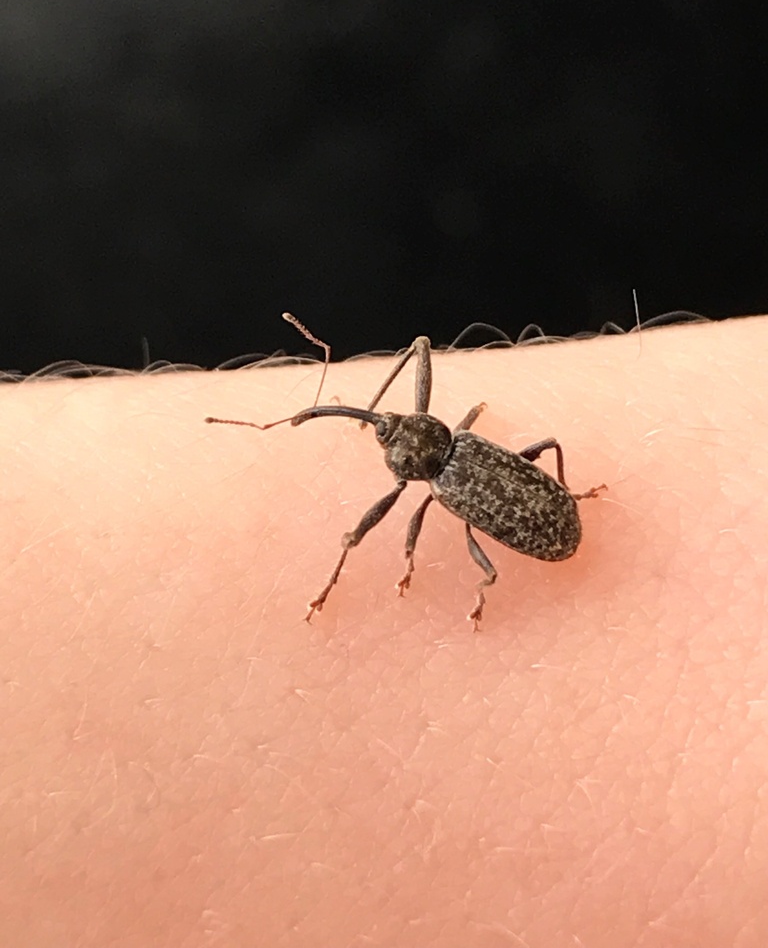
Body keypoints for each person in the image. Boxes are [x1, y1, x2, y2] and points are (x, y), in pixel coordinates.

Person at [3, 316, 764, 946]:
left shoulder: (436, 475)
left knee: (425, 546)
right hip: (519, 498)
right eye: (386, 425)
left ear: (413, 449)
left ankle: (477, 584)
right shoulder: (448, 459)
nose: (385, 425)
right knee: (487, 496)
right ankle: (499, 558)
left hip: (530, 513)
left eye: (389, 426)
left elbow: (409, 482)